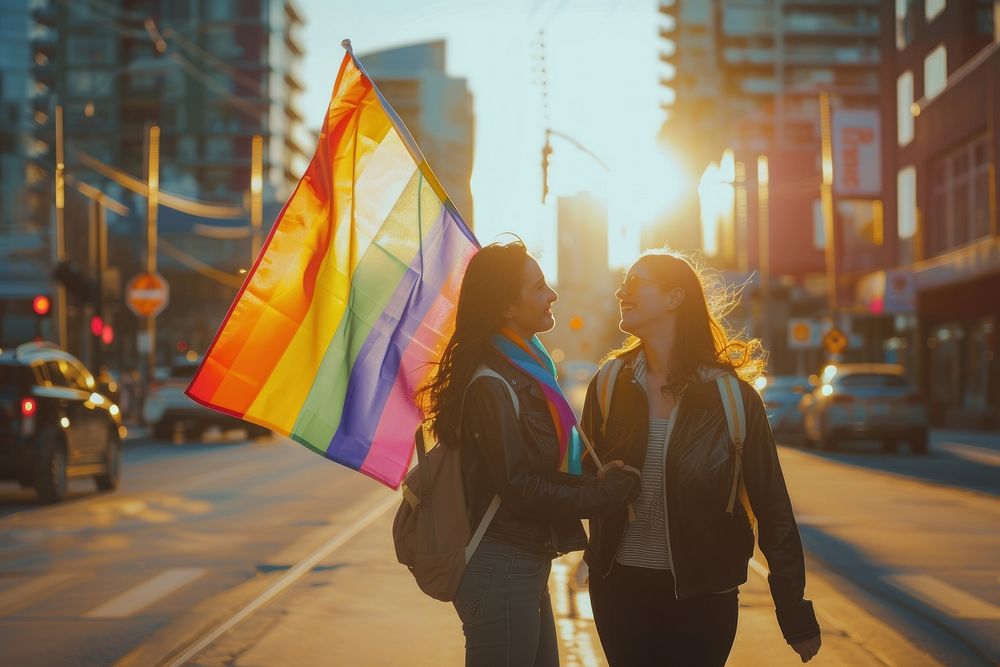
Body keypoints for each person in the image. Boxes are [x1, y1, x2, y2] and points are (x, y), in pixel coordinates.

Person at [581, 249, 822, 666]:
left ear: (674, 298)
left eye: (636, 283)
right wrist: (601, 486)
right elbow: (582, 479)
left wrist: (794, 612)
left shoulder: (732, 398)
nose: (623, 292)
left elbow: (772, 507)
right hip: (619, 589)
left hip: (705, 596)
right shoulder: (608, 385)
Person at [418, 240, 641, 667]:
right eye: (539, 287)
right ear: (506, 308)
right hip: (500, 565)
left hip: (520, 560)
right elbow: (520, 487)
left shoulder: (524, 372)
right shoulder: (491, 384)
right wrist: (609, 493)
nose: (552, 295)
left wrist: (596, 481)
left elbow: (531, 470)